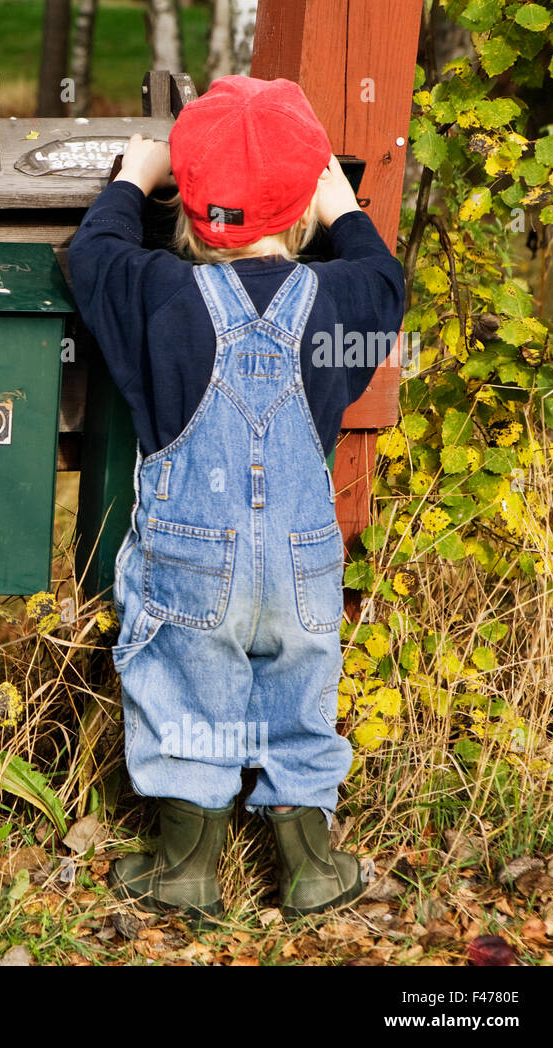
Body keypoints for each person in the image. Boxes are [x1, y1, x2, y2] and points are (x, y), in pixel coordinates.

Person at [69, 76, 405, 919]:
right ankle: (312, 867)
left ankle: (186, 866)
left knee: (183, 693)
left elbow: (96, 257)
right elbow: (382, 280)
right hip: (302, 563)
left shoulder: (163, 295)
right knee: (302, 698)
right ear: (302, 211)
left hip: (193, 559)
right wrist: (343, 209)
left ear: (191, 206)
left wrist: (131, 178)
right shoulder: (337, 300)